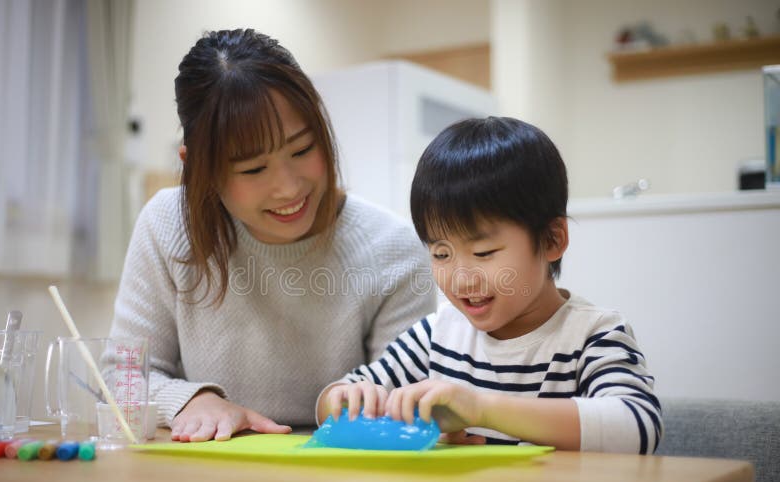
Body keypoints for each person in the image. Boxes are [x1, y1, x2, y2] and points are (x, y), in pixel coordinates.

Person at [110, 29, 436, 442]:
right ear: (198, 169)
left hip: (340, 476)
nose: (288, 188)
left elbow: (406, 403)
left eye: (302, 150)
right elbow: (120, 378)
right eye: (252, 170)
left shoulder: (392, 249)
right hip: (200, 479)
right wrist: (192, 401)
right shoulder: (168, 226)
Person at [317, 117, 663, 454]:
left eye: (483, 252)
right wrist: (344, 399)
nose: (462, 278)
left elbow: (638, 428)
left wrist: (481, 409)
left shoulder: (592, 335)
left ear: (552, 240)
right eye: (441, 254)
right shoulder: (438, 335)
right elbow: (332, 404)